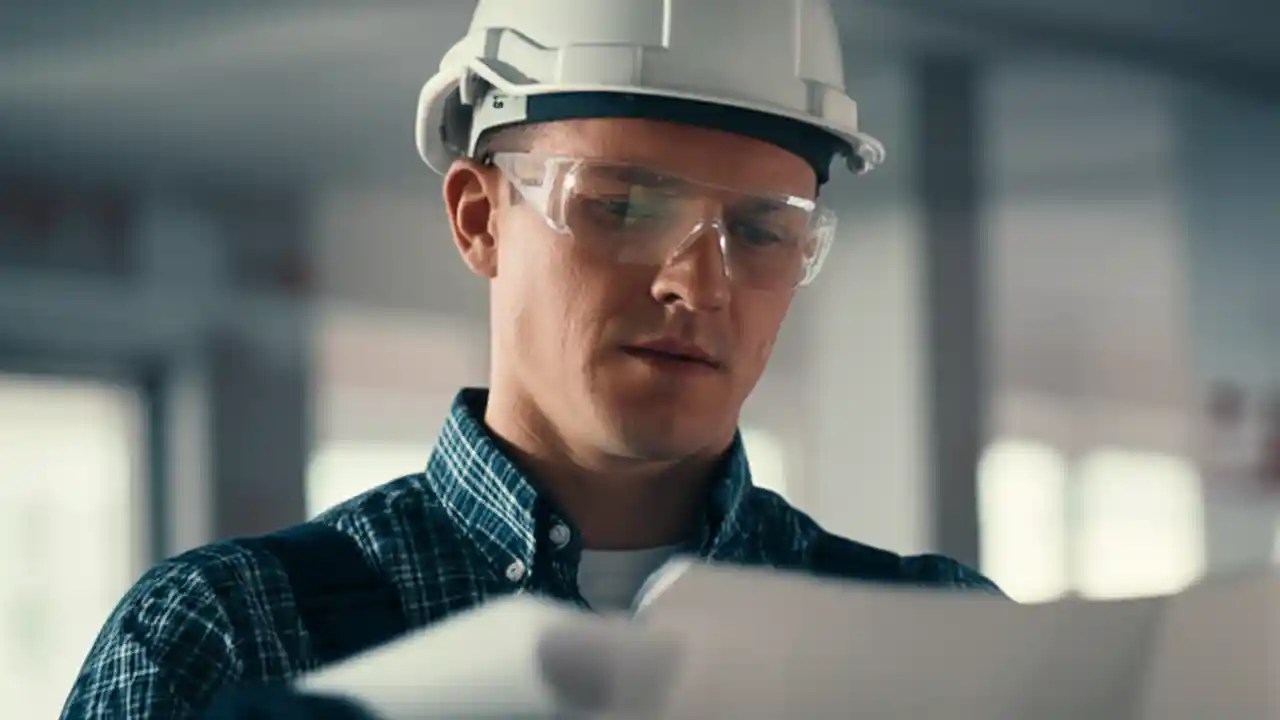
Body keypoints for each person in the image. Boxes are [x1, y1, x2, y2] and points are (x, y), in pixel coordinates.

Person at [62, 0, 999, 717]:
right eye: (626, 207)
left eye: (761, 230)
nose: (700, 286)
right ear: (479, 218)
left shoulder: (946, 644)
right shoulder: (225, 637)